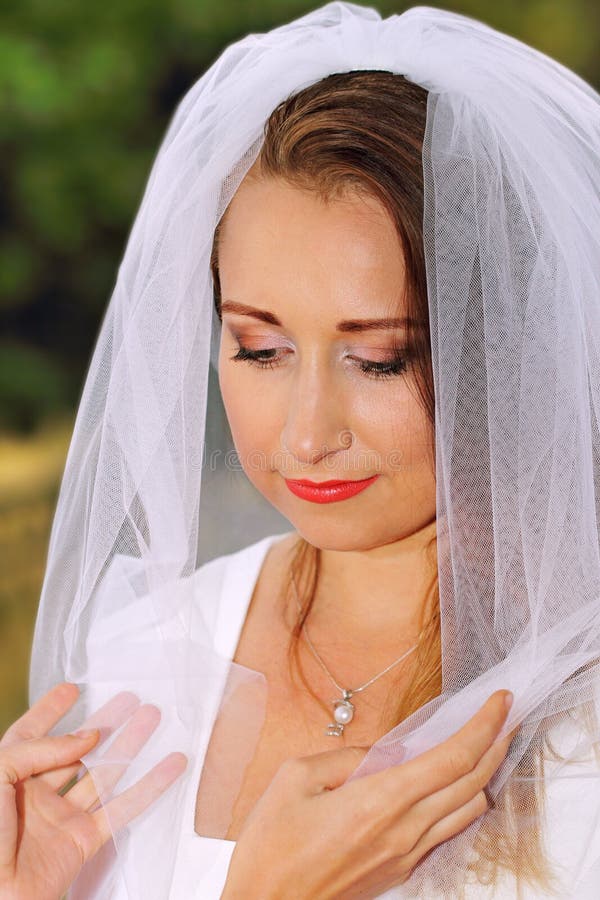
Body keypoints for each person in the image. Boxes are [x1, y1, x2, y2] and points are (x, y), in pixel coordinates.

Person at [5, 2, 600, 897]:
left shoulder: (577, 719)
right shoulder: (147, 664)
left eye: (379, 357)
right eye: (261, 348)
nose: (307, 435)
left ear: (502, 351)